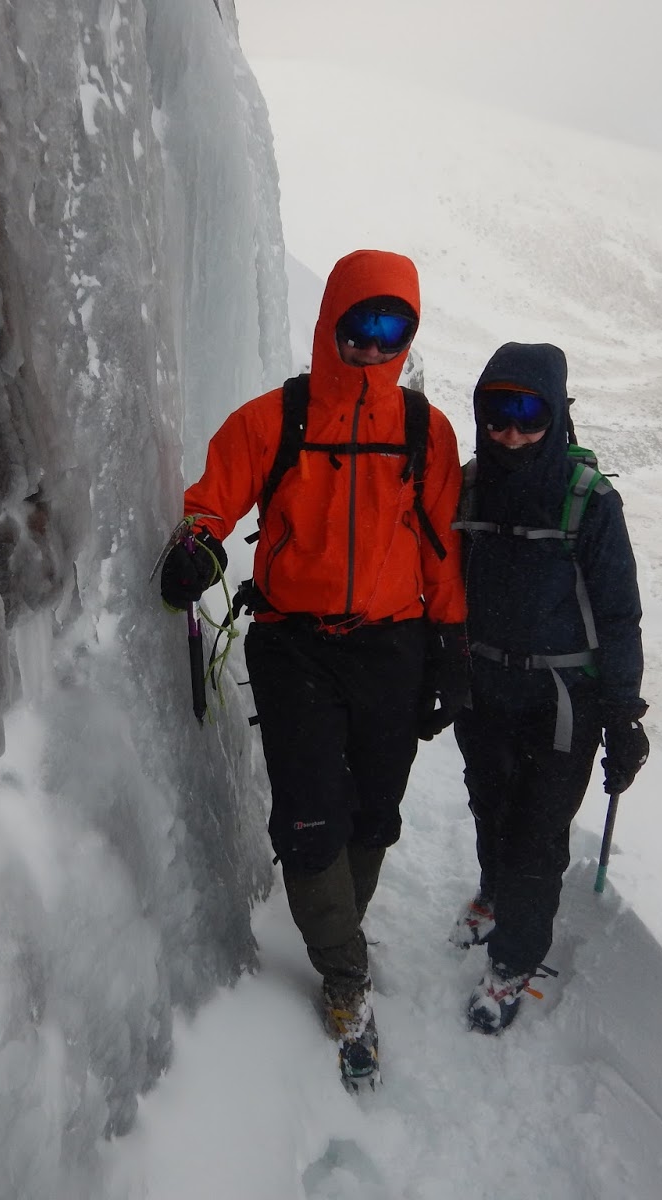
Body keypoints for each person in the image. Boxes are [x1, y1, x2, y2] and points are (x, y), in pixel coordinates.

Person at [157, 249, 469, 1086]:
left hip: (393, 646)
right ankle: (344, 975)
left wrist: (450, 647)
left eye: (391, 329)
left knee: (375, 810)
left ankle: (340, 927)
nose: (372, 346)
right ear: (331, 322)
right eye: (358, 327)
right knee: (309, 817)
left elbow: (442, 549)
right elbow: (214, 497)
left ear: (408, 336)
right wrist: (198, 545)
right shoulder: (277, 419)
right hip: (295, 642)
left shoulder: (425, 431)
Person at [448, 342, 650, 1033]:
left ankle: (512, 962)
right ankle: (493, 891)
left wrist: (623, 714)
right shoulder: (468, 487)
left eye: (529, 416)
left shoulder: (590, 502)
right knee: (490, 803)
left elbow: (618, 613)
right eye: (497, 414)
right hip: (484, 685)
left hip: (562, 701)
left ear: (557, 416)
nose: (511, 433)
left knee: (537, 834)